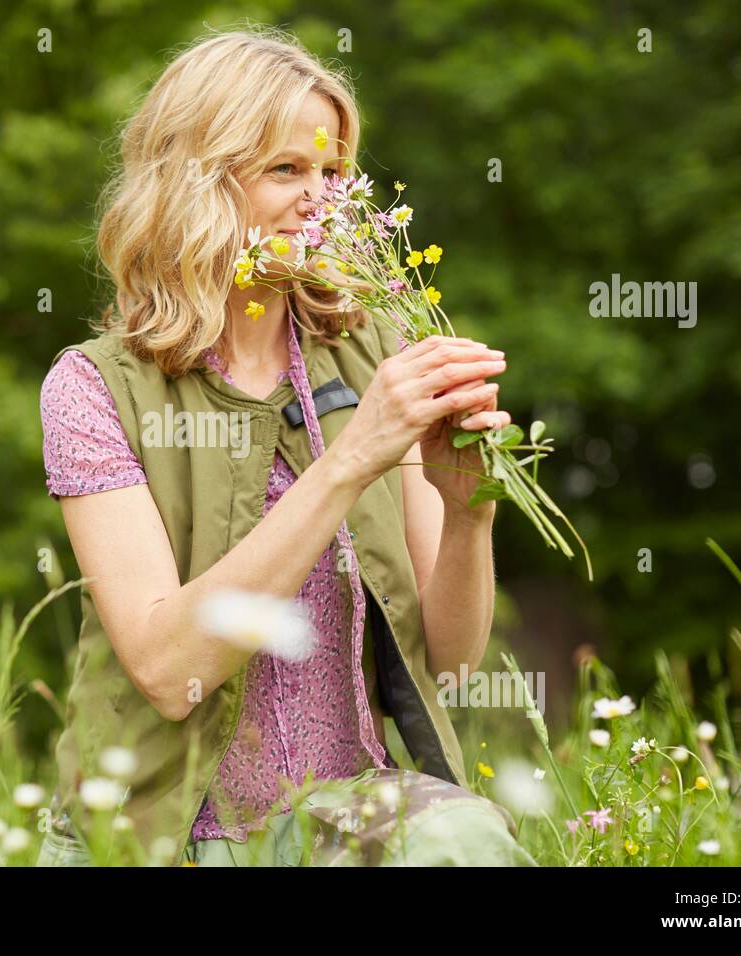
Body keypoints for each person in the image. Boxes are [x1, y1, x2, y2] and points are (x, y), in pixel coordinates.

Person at [36, 26, 536, 867]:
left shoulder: (374, 348)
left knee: (460, 840)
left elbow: (446, 659)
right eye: (287, 170)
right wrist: (348, 461)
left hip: (342, 823)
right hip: (159, 836)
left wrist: (466, 513)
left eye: (334, 172)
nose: (323, 199)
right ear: (195, 181)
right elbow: (166, 668)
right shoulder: (94, 388)